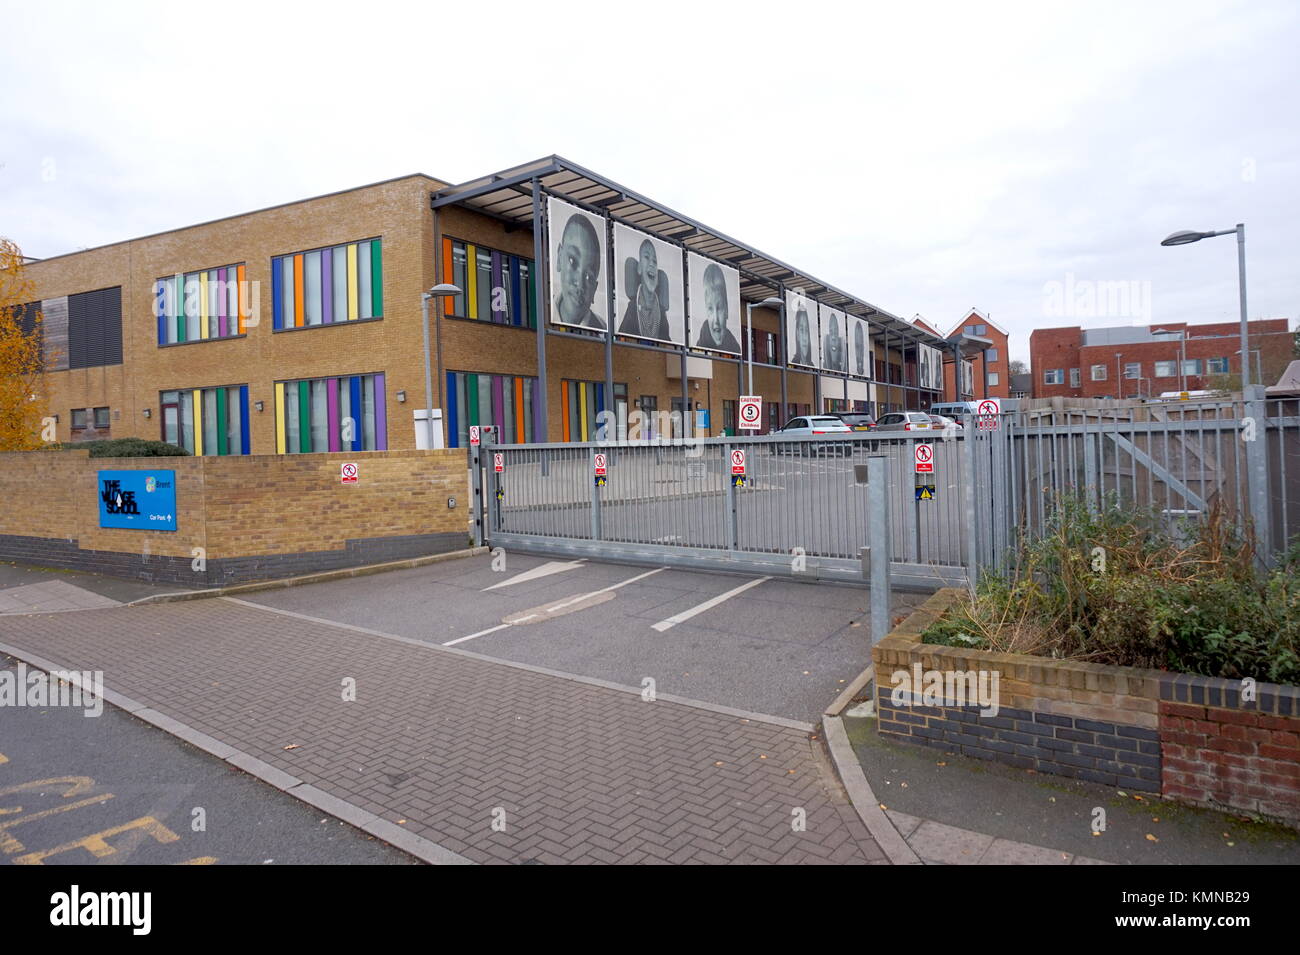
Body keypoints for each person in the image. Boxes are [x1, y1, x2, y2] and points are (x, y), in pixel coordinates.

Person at [554, 213, 604, 330]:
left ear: (595, 289)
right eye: (572, 261)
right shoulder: (541, 313)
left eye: (589, 276)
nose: (580, 283)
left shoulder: (602, 330)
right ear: (559, 257)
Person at [619, 238, 670, 340]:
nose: (652, 264)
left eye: (655, 261)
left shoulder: (661, 314)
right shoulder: (632, 309)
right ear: (639, 268)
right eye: (646, 257)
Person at [695, 263, 739, 352]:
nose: (716, 320)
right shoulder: (699, 347)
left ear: (727, 310)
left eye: (719, 308)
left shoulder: (735, 349)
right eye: (710, 308)